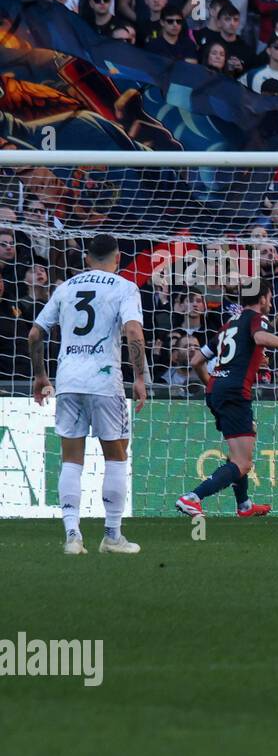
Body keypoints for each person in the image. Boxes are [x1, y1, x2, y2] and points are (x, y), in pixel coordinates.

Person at [28, 234, 149, 555]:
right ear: (118, 258)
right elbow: (134, 331)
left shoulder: (65, 288)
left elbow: (35, 333)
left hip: (67, 380)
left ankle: (72, 536)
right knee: (116, 455)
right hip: (104, 381)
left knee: (71, 460)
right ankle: (112, 536)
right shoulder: (124, 287)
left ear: (86, 258)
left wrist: (41, 376)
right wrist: (140, 376)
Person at [175, 281, 278, 518]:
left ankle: (244, 505)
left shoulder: (228, 325)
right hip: (234, 392)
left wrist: (212, 382)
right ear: (262, 298)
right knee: (242, 462)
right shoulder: (256, 318)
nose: (270, 302)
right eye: (269, 297)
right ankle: (191, 498)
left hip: (217, 390)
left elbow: (196, 361)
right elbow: (260, 337)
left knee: (243, 442)